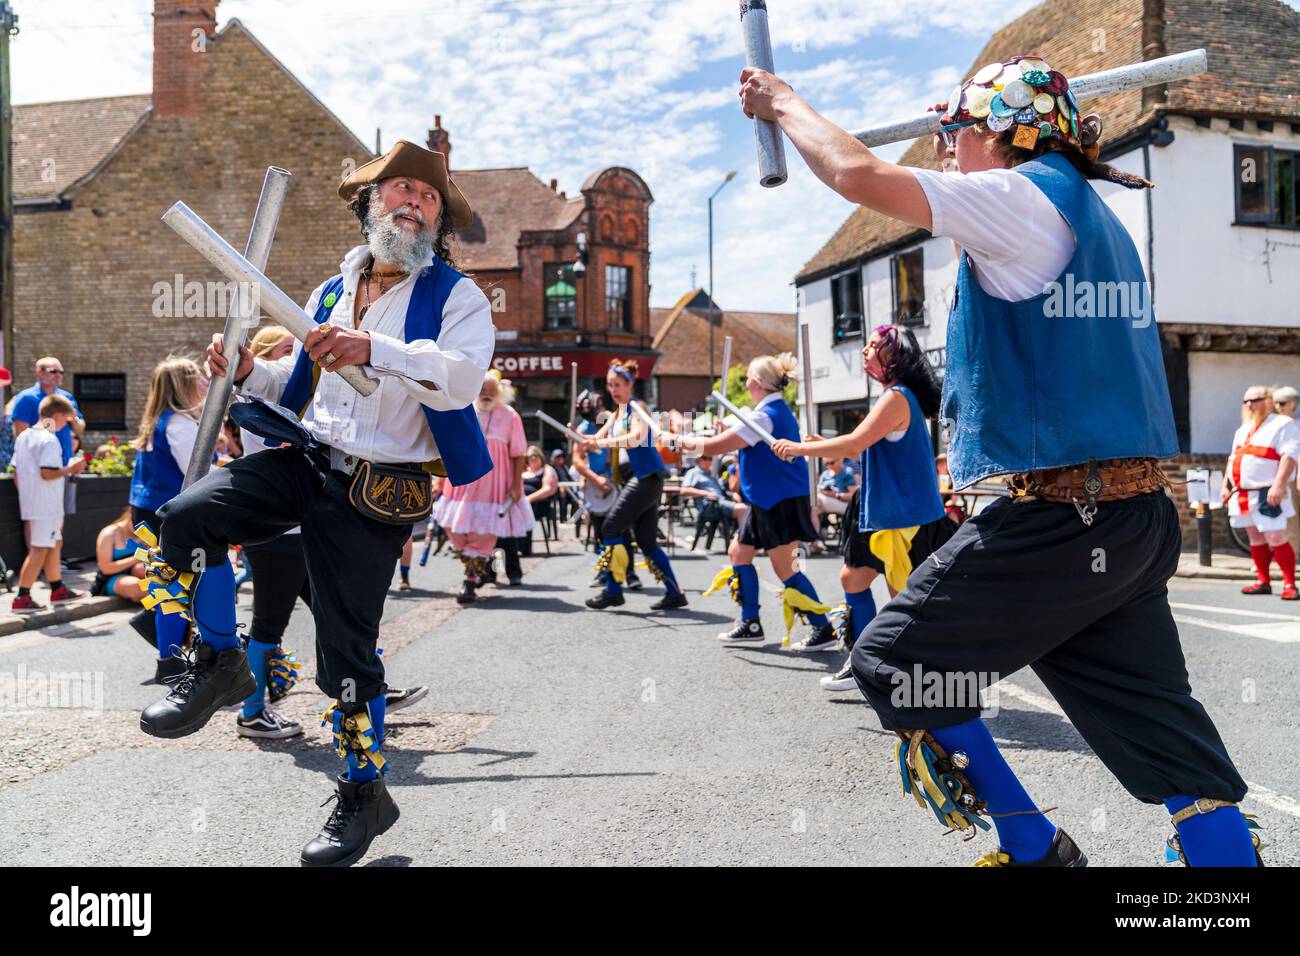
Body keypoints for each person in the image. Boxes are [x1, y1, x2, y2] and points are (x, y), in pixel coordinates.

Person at [740, 53, 1260, 866]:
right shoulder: (1089, 215)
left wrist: (784, 102)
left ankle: (1032, 846)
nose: (946, 152)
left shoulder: (1019, 198)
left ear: (1001, 135)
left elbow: (857, 174)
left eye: (956, 135)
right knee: (1170, 745)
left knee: (894, 659)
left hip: (1067, 518)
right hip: (1128, 519)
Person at [140, 140, 493, 866]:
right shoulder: (333, 290)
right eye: (400, 190)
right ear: (371, 206)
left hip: (376, 489)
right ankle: (218, 660)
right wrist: (248, 371)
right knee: (185, 518)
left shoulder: (457, 297)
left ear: (438, 219)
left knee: (346, 657)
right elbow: (295, 386)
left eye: (428, 198)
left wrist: (376, 349)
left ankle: (365, 795)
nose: (413, 204)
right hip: (307, 459)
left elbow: (459, 379)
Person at [775, 327, 957, 692]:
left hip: (905, 518)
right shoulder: (894, 398)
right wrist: (827, 445)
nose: (866, 351)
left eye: (875, 346)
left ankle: (923, 677)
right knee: (853, 580)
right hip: (882, 512)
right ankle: (864, 662)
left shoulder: (897, 397)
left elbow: (857, 441)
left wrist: (799, 449)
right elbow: (868, 449)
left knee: (902, 600)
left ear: (895, 356)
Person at [674, 354, 833, 648]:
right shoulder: (768, 411)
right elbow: (739, 426)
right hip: (767, 499)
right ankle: (750, 622)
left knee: (786, 569)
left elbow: (719, 445)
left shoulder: (763, 417)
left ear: (756, 383)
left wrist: (686, 442)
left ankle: (822, 628)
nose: (745, 382)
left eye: (747, 377)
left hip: (779, 499)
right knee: (739, 553)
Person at [128, 355, 210, 684]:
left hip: (149, 512)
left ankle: (168, 653)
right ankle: (172, 660)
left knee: (169, 585)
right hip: (169, 513)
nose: (205, 382)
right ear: (183, 385)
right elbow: (198, 473)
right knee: (177, 587)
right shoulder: (179, 424)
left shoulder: (159, 422)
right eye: (197, 377)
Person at [580, 359, 686, 611]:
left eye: (618, 385)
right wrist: (582, 438)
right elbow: (598, 436)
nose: (613, 390)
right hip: (640, 478)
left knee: (610, 528)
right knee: (647, 541)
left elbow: (636, 437)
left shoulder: (638, 408)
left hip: (646, 478)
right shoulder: (618, 411)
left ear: (630, 385)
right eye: (609, 385)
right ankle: (675, 593)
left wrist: (602, 444)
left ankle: (613, 590)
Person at [432, 370, 533, 603]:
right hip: (461, 484)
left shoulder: (510, 416)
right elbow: (447, 446)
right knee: (454, 530)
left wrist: (516, 485)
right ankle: (474, 571)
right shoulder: (464, 409)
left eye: (490, 390)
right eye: (481, 389)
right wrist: (441, 477)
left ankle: (469, 582)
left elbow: (519, 454)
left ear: (499, 392)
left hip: (494, 487)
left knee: (484, 533)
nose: (486, 394)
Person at [11, 394, 86, 611]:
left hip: (34, 502)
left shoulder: (24, 436)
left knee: (54, 543)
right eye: (66, 420)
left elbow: (18, 470)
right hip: (46, 504)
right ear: (57, 415)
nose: (65, 426)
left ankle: (57, 589)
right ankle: (22, 596)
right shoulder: (49, 439)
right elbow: (47, 473)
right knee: (40, 548)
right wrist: (72, 468)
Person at [1223, 384, 1298, 600]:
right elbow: (1233, 460)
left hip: (1268, 491)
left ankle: (1290, 584)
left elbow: (1289, 456)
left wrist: (1279, 485)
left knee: (1275, 535)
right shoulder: (1243, 429)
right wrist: (1225, 487)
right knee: (1255, 538)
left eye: (1254, 400)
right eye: (1246, 401)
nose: (1249, 404)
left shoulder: (1282, 424)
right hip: (1243, 492)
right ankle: (1263, 581)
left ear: (1267, 400)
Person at [91, 509, 148, 603]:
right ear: (130, 515)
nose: (141, 528)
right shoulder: (109, 533)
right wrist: (136, 558)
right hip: (111, 577)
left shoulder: (146, 531)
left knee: (146, 570)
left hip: (135, 570)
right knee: (137, 586)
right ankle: (166, 601)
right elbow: (105, 568)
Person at [678, 452, 749, 527]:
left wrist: (733, 494)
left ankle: (740, 535)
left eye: (710, 459)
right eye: (705, 458)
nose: (708, 461)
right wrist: (706, 493)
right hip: (709, 505)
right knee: (742, 509)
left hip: (720, 502)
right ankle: (741, 537)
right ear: (698, 460)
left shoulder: (712, 475)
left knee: (749, 508)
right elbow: (684, 490)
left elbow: (722, 490)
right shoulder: (693, 472)